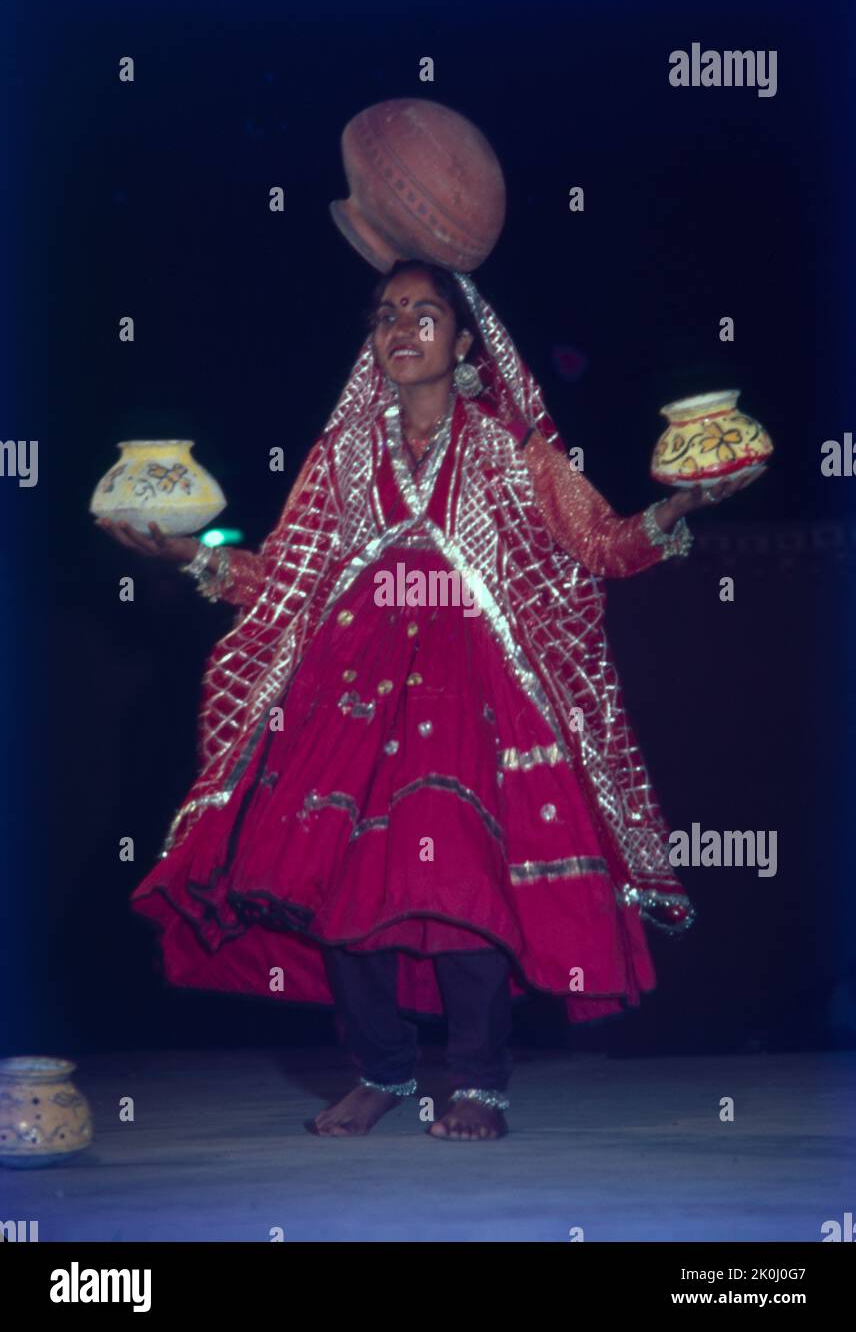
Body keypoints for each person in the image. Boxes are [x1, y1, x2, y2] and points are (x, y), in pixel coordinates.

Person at [98, 260, 763, 1141]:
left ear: (465, 342)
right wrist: (188, 559)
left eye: (425, 313)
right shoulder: (341, 454)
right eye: (386, 315)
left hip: (474, 687)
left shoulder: (510, 448)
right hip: (348, 687)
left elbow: (600, 546)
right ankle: (379, 1070)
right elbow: (280, 577)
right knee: (335, 872)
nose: (402, 328)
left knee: (458, 876)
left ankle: (479, 1085)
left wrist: (678, 509)